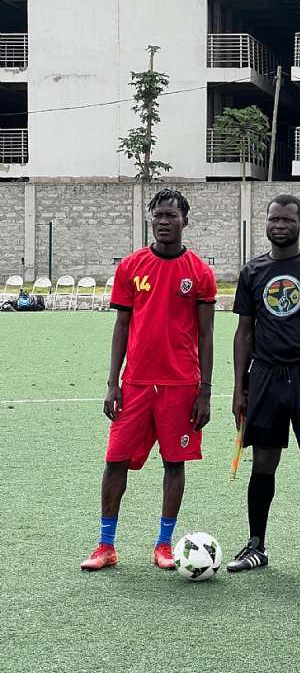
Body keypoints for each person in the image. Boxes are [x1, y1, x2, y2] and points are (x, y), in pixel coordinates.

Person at [81, 189, 216, 571]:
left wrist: (205, 390)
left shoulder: (200, 273)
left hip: (181, 385)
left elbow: (206, 335)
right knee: (115, 460)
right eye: (158, 215)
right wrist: (113, 382)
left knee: (174, 463)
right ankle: (106, 545)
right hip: (137, 383)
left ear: (184, 221)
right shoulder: (131, 266)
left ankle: (163, 544)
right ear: (150, 219)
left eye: (171, 215)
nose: (163, 221)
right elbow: (121, 325)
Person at [228, 194, 300, 575]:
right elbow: (244, 332)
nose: (279, 225)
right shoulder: (252, 272)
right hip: (265, 375)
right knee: (263, 461)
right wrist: (239, 386)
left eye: (287, 220)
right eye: (273, 219)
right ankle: (256, 545)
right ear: (266, 223)